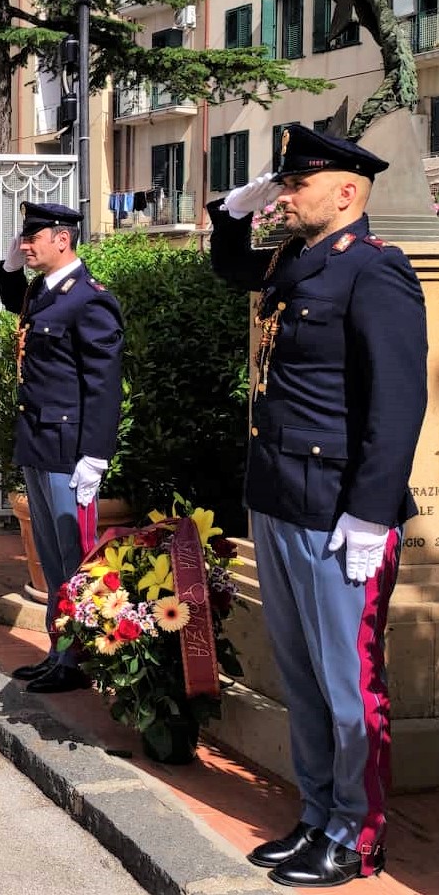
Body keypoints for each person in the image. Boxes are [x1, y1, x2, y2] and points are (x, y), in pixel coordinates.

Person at [207, 125, 426, 888]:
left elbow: (396, 404)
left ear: (345, 191)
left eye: (296, 184)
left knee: (346, 688)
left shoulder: (374, 271)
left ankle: (355, 835)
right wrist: (230, 212)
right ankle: (315, 815)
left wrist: (369, 514)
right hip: (277, 499)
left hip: (339, 513)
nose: (284, 195)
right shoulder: (294, 263)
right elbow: (230, 265)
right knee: (302, 678)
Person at [0, 201, 124, 694]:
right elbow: (15, 304)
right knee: (50, 556)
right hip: (38, 440)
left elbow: (103, 384)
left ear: (62, 239)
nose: (25, 246)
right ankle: (58, 651)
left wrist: (96, 453)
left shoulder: (89, 299)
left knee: (72, 558)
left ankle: (77, 659)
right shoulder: (44, 293)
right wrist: (9, 266)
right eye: (23, 239)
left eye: (32, 238)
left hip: (68, 449)